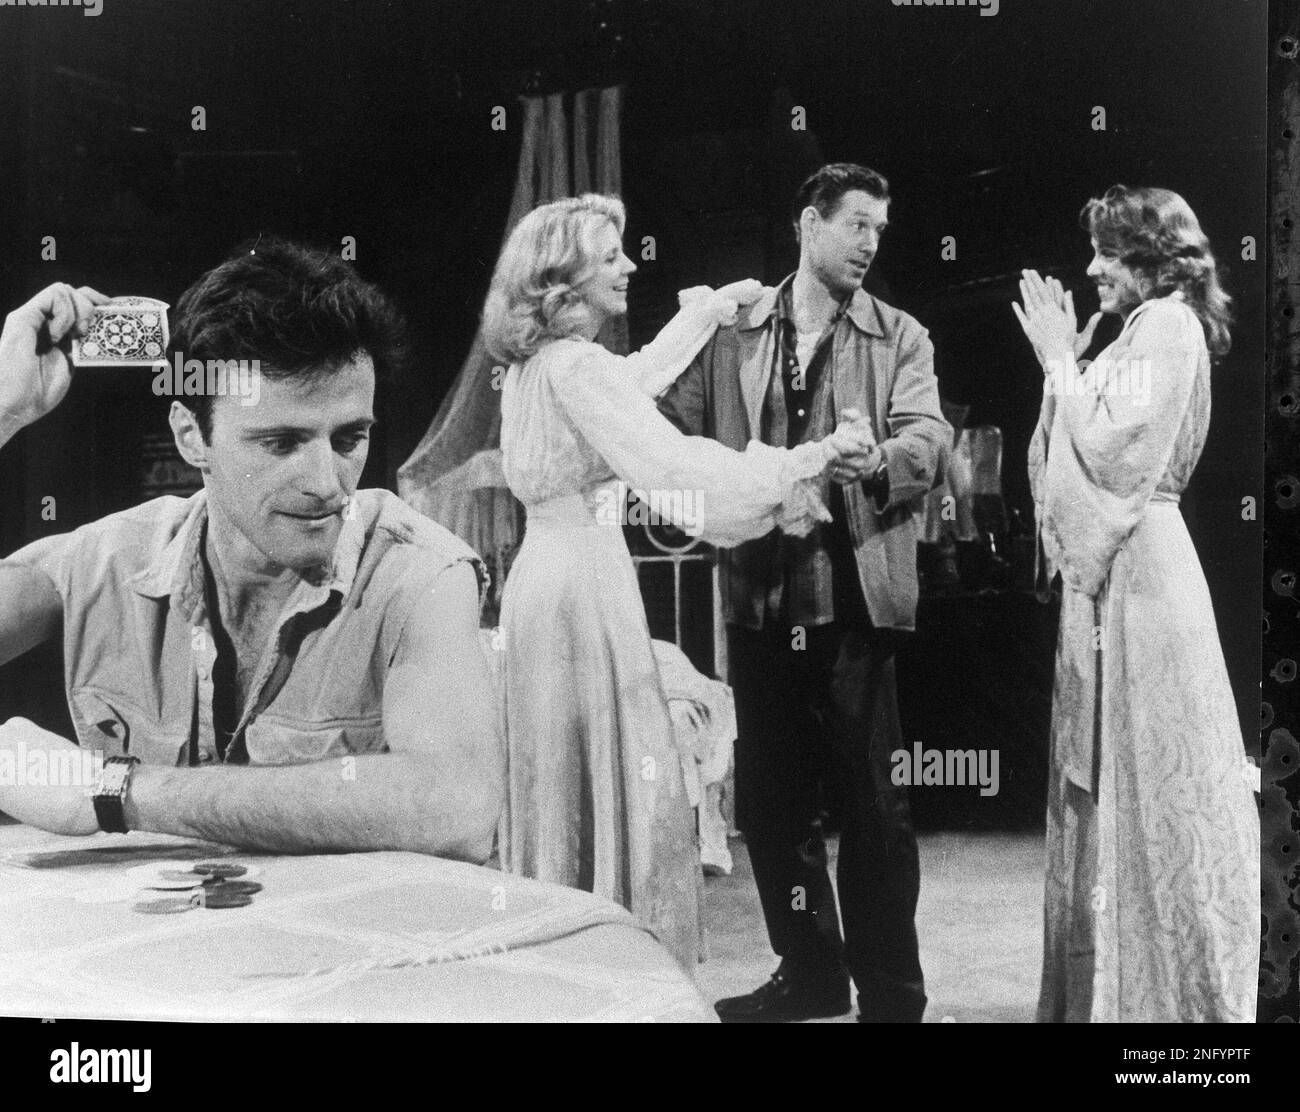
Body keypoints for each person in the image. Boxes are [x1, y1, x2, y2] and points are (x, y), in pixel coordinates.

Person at [0, 241, 502, 861]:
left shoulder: (420, 572)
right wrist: (3, 411)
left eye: (349, 438)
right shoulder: (103, 563)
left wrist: (115, 792)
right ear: (191, 437)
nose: (327, 482)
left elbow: (457, 806)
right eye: (281, 443)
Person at [482, 193, 875, 971]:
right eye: (610, 258)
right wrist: (807, 458)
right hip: (584, 589)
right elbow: (675, 468)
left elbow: (636, 380)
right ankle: (612, 973)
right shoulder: (576, 366)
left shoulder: (542, 367)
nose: (630, 265)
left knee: (566, 778)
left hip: (545, 582)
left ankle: (570, 964)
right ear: (565, 282)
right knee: (615, 774)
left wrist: (706, 314)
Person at [659, 163, 950, 1021]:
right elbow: (671, 429)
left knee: (874, 810)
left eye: (880, 230)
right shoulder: (734, 328)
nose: (870, 243)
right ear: (808, 223)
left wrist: (884, 461)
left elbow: (929, 436)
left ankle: (893, 992)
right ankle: (811, 975)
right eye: (857, 223)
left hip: (855, 605)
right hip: (759, 599)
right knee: (772, 805)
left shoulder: (901, 335)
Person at [1014, 185, 1259, 1022]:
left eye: (1108, 253)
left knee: (1153, 783)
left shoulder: (1169, 325)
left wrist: (1058, 362)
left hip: (1145, 574)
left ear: (1152, 256)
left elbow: (1117, 453)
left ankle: (1170, 1013)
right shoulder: (1141, 330)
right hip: (1124, 571)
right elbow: (1078, 447)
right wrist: (1067, 369)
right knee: (1122, 780)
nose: (1091, 268)